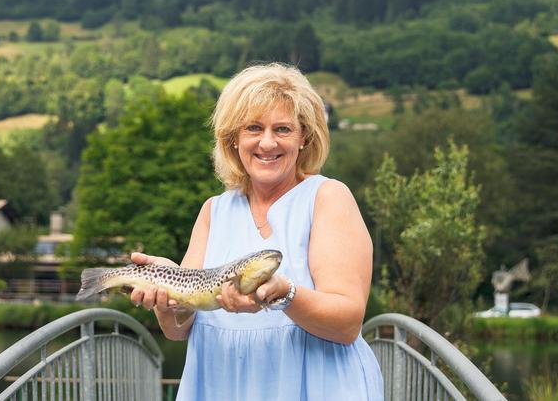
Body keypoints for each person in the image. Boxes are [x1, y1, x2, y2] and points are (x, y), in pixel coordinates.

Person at [130, 63, 384, 400]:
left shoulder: (327, 197)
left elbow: (347, 323)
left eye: (282, 129)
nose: (267, 142)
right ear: (233, 139)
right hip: (223, 384)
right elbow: (180, 328)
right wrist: (166, 298)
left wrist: (284, 294)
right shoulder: (212, 211)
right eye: (253, 128)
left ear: (304, 137)